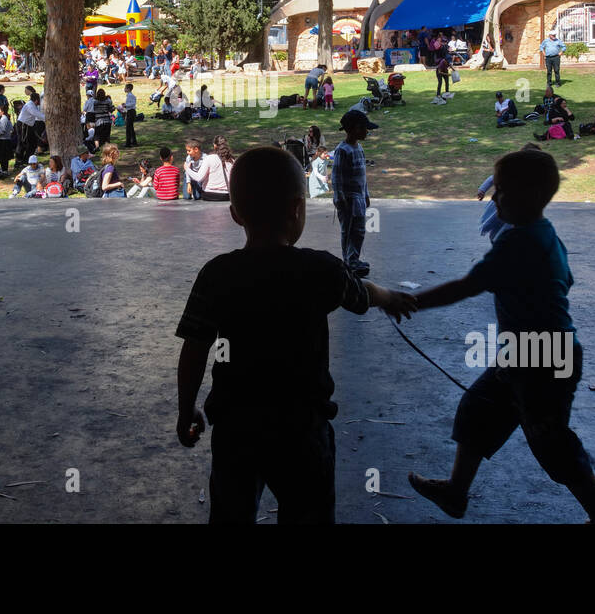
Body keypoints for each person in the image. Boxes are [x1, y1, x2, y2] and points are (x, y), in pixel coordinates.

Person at [173, 145, 416, 524]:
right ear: (297, 208)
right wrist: (389, 298)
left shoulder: (216, 274)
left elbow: (194, 348)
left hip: (237, 429)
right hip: (302, 430)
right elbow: (361, 295)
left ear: (235, 214)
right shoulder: (320, 270)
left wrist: (185, 408)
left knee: (231, 515)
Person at [405, 147, 595, 524]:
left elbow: (467, 286)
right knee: (478, 409)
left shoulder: (517, 241)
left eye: (501, 190)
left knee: (551, 442)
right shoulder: (544, 232)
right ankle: (456, 492)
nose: (493, 197)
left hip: (543, 357)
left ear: (532, 196)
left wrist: (407, 301)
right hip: (528, 354)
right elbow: (565, 280)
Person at [330, 109, 377, 278]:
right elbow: (337, 177)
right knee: (348, 231)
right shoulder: (343, 150)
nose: (367, 131)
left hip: (359, 199)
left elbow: (362, 176)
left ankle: (354, 259)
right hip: (347, 199)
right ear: (355, 129)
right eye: (365, 128)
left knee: (359, 230)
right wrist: (339, 197)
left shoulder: (359, 148)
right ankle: (348, 262)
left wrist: (366, 194)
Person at [122, 83, 139, 148]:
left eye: (125, 88)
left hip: (131, 112)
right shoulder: (129, 95)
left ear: (128, 89)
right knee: (131, 128)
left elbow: (132, 103)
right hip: (130, 111)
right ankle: (133, 141)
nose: (124, 89)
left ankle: (128, 143)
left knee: (128, 128)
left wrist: (126, 105)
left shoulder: (130, 95)